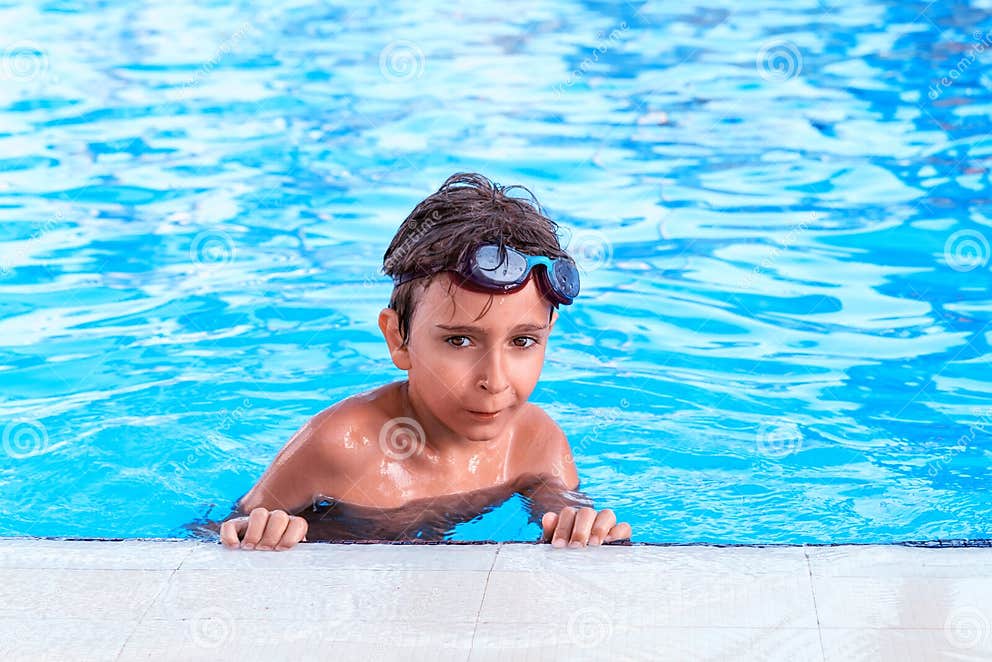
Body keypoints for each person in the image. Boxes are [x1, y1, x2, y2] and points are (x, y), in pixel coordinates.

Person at [218, 172, 632, 550]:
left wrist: (588, 529)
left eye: (522, 341)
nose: (495, 379)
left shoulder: (537, 443)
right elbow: (217, 534)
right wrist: (257, 532)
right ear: (399, 338)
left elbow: (571, 524)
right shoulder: (338, 445)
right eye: (459, 340)